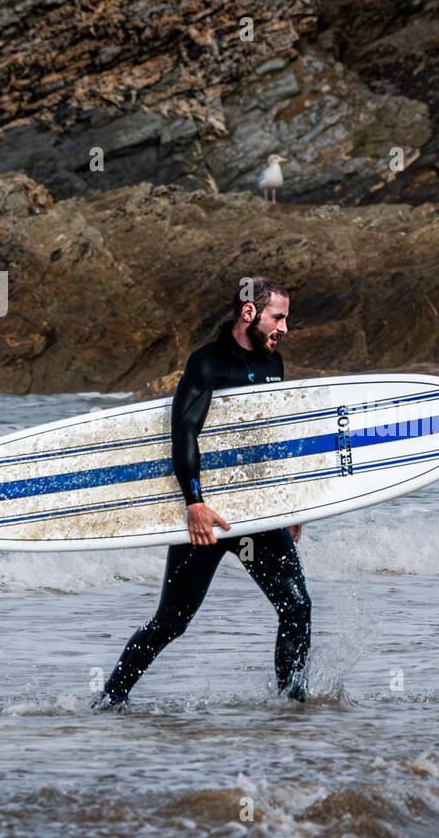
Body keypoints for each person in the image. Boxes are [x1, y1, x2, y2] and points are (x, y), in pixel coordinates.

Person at [92, 277, 311, 708]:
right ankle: (111, 698)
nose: (286, 327)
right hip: (206, 519)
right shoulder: (207, 363)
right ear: (250, 313)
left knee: (296, 606)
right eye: (279, 317)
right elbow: (184, 432)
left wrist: (289, 507)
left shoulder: (274, 364)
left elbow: (266, 440)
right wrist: (194, 503)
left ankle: (292, 705)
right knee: (171, 622)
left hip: (252, 516)